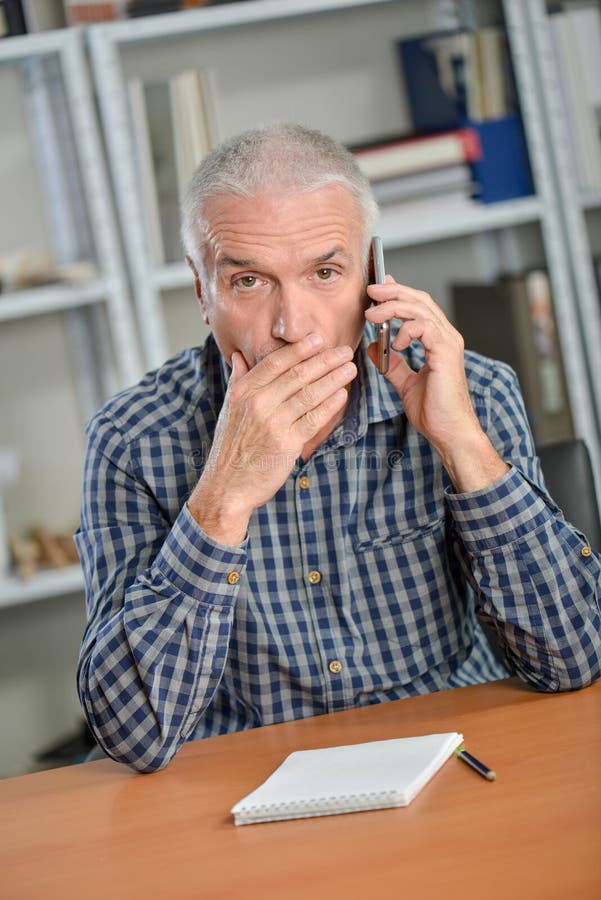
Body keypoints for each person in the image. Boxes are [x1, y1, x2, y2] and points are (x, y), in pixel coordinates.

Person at [76, 123, 601, 773]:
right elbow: (132, 735)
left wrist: (461, 441)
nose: (291, 327)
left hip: (451, 761)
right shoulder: (130, 440)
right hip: (238, 792)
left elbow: (572, 657)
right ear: (199, 288)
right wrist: (223, 498)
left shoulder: (471, 392)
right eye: (248, 282)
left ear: (373, 273)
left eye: (324, 272)